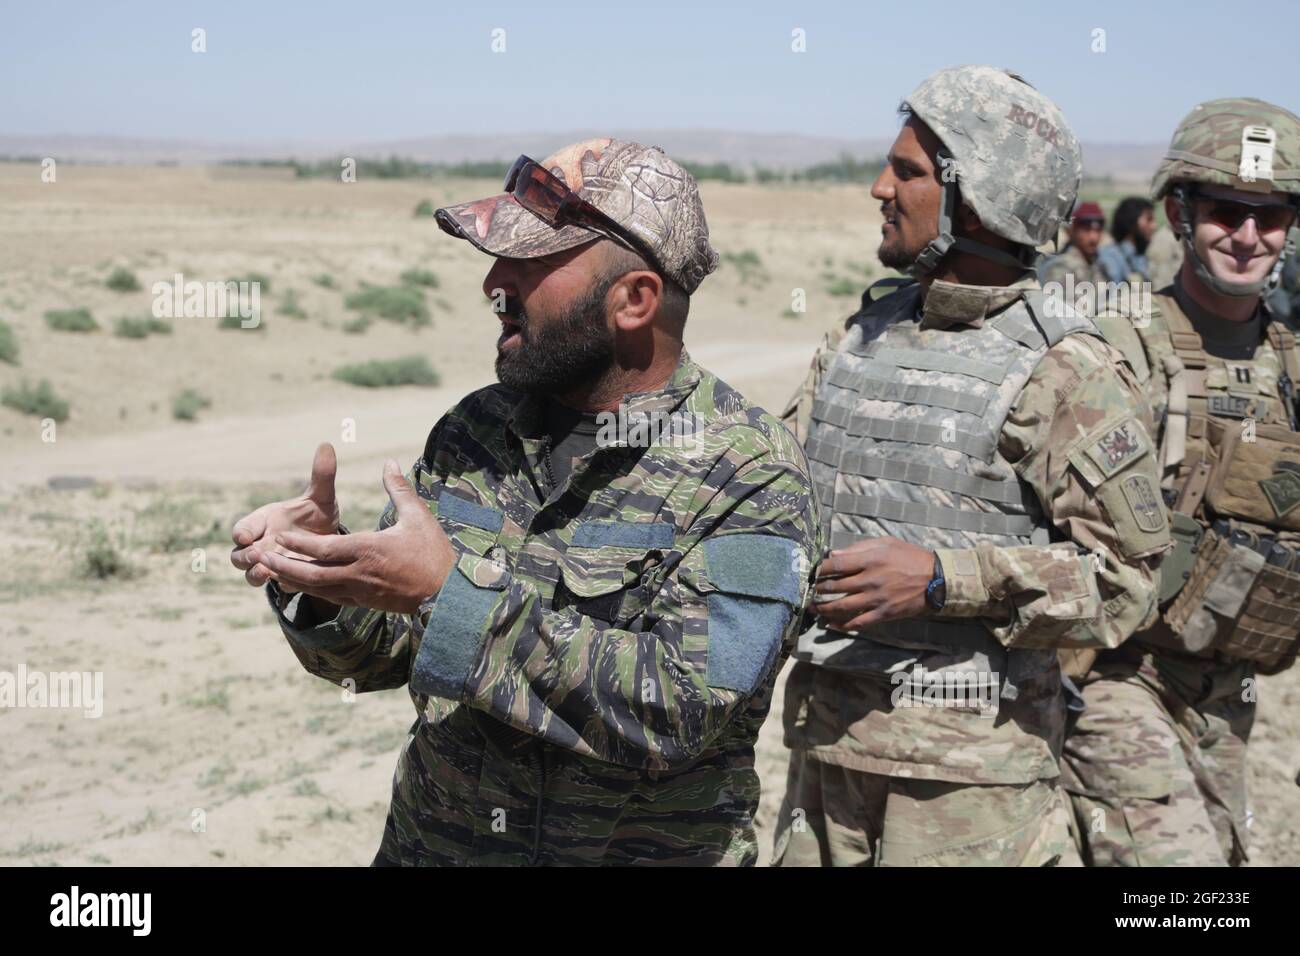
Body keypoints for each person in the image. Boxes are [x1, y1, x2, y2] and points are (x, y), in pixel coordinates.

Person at [229, 138, 820, 866]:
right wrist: (318, 577)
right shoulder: (475, 429)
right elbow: (382, 658)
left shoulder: (751, 472)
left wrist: (450, 596)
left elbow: (683, 708)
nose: (494, 285)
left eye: (530, 265)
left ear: (634, 300)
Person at [772, 66, 1169, 867]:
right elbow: (770, 493)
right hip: (825, 769)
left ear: (982, 197)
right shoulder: (861, 338)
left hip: (968, 797)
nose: (880, 188)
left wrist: (944, 580)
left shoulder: (1066, 370)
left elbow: (1127, 584)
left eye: (909, 172)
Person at [1063, 98, 1300, 867]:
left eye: (1271, 217)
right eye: (1227, 211)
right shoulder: (1120, 352)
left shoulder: (1292, 366)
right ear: (1179, 212)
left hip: (1229, 693)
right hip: (1120, 679)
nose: (1248, 236)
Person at [1098, 196, 1156, 283]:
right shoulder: (1110, 257)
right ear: (1131, 221)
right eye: (1149, 219)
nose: (1154, 226)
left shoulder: (1140, 256)